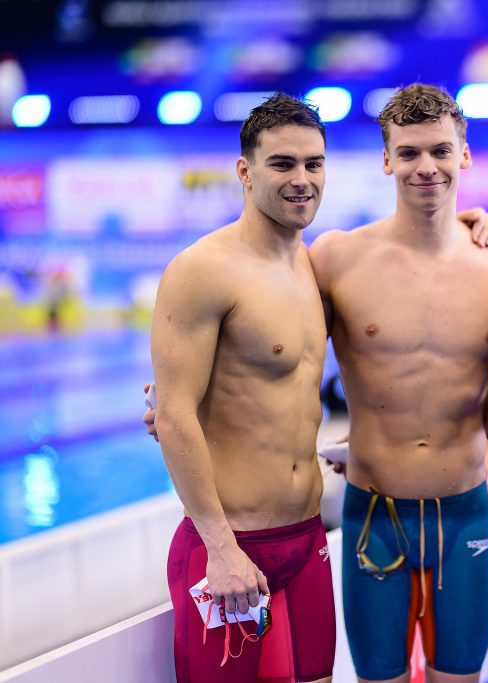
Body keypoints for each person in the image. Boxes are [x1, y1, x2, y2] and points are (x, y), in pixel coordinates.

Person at [308, 84, 488, 683]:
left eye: (439, 150)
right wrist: (177, 395)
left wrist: (452, 434)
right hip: (372, 512)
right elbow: (276, 353)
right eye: (408, 153)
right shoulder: (336, 259)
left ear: (466, 154)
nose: (425, 166)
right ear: (386, 160)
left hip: (466, 513)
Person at [151, 93, 336, 683]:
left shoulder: (314, 265)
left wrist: (471, 222)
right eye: (282, 164)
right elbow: (174, 414)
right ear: (245, 170)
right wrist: (221, 547)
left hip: (307, 539)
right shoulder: (203, 269)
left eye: (314, 163)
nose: (302, 179)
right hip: (229, 545)